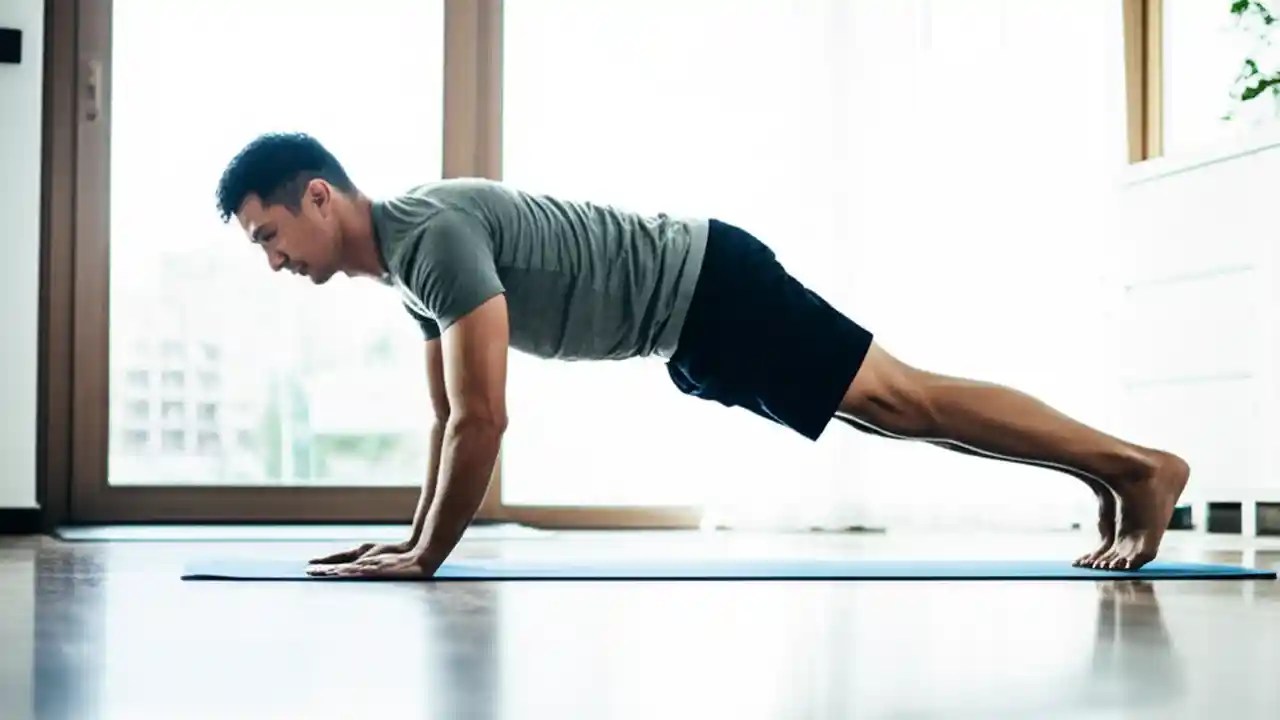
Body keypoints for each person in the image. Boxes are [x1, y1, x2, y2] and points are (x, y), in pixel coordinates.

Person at [214, 132, 1189, 579]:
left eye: (267, 235)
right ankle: (1111, 476)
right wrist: (409, 540)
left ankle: (1137, 467)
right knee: (888, 407)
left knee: (899, 400)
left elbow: (485, 417)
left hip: (707, 287)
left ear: (318, 197)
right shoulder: (409, 266)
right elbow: (447, 419)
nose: (272, 261)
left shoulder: (431, 236)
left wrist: (426, 555)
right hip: (692, 313)